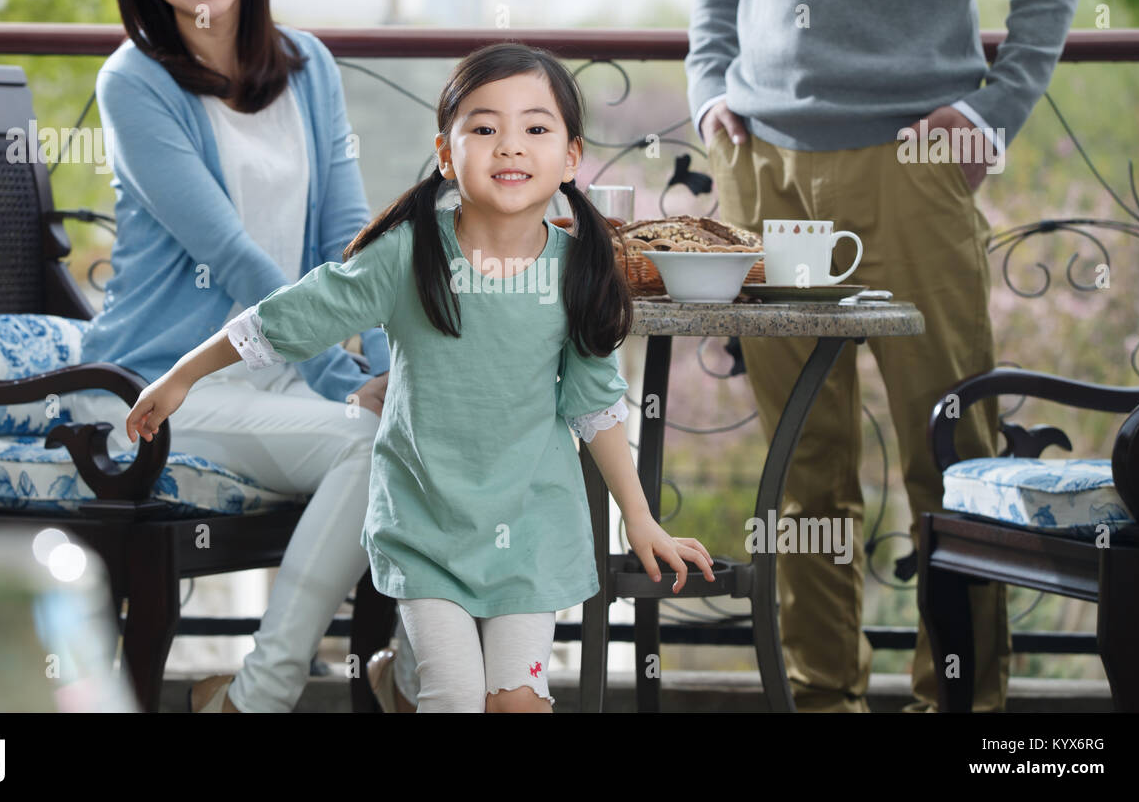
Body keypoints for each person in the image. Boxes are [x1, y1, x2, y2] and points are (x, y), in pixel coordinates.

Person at [125, 42, 717, 712]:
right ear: (446, 153)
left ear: (571, 158)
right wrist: (184, 375)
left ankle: (394, 678)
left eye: (536, 128)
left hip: (530, 531)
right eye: (485, 128)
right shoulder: (406, 256)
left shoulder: (580, 270)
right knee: (455, 697)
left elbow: (596, 405)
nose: (510, 147)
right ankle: (405, 680)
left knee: (518, 701)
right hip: (425, 529)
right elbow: (293, 315)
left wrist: (639, 520)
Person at [685, 0, 1084, 711]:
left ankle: (961, 707)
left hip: (916, 162)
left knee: (953, 461)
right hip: (767, 172)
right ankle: (823, 698)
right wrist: (709, 87)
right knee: (802, 471)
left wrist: (993, 110)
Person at [69, 0, 420, 712]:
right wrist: (345, 379)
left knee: (426, 422)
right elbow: (232, 255)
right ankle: (259, 696)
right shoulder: (135, 84)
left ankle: (411, 677)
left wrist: (390, 366)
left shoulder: (309, 65)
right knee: (365, 440)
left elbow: (351, 240)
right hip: (164, 384)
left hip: (281, 376)